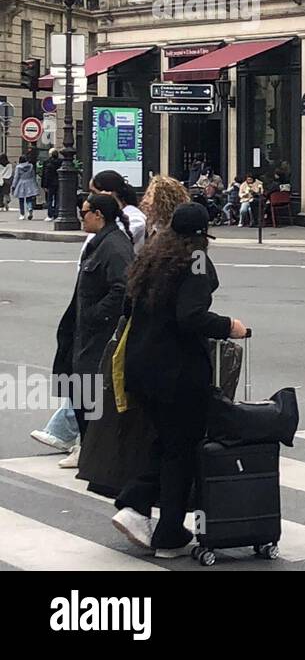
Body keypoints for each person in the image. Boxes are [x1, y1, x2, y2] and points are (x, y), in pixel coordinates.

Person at [112, 202, 248, 558]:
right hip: (177, 373)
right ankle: (168, 533)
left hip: (140, 366)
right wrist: (229, 326)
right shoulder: (196, 260)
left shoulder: (153, 256)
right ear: (204, 232)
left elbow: (128, 309)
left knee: (166, 442)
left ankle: (136, 504)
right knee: (181, 451)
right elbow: (191, 316)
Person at [52, 194, 132, 443]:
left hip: (98, 338)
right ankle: (87, 451)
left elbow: (123, 289)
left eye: (84, 212)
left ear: (99, 215)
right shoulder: (101, 243)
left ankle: (91, 455)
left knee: (90, 402)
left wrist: (95, 315)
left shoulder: (114, 247)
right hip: (85, 335)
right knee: (78, 394)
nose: (80, 216)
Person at [91, 170, 146, 250]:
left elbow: (113, 242)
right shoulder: (103, 217)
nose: (91, 198)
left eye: (93, 192)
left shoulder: (135, 219)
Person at [12, 151, 38, 219]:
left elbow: (16, 177)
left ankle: (22, 214)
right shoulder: (31, 166)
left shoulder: (18, 167)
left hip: (21, 183)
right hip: (29, 182)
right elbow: (33, 176)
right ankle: (30, 208)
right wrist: (35, 184)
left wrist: (13, 186)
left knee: (21, 199)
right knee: (29, 198)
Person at [42, 150, 61, 220]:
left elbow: (45, 175)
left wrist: (44, 185)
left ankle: (50, 215)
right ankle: (56, 214)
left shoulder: (47, 163)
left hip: (50, 184)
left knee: (49, 199)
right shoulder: (61, 162)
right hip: (58, 183)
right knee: (57, 199)